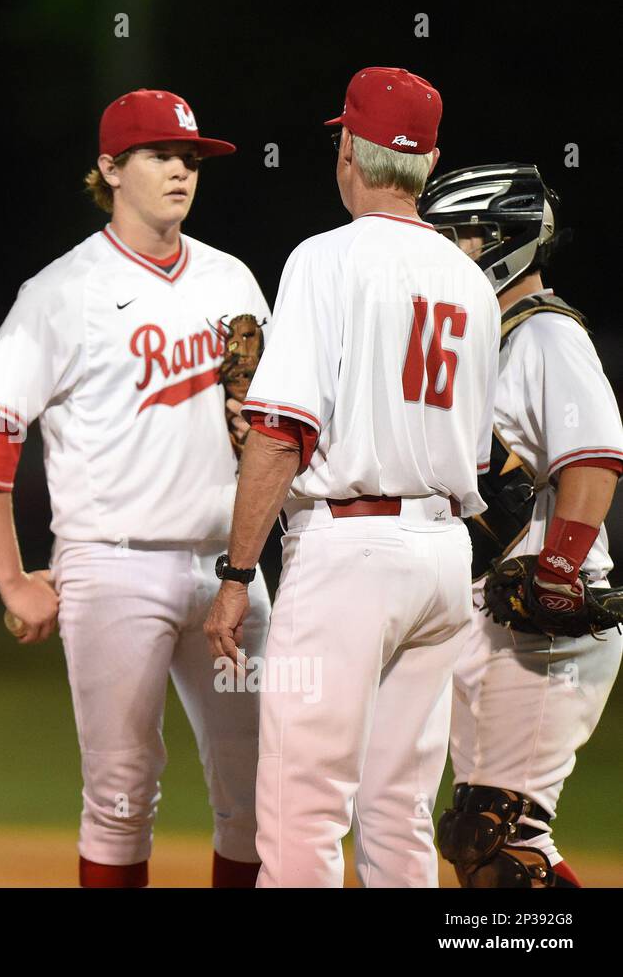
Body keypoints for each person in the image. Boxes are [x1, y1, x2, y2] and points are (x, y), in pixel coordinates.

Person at [0, 90, 271, 888]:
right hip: (114, 565)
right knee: (123, 795)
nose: (180, 171)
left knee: (261, 790)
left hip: (233, 573)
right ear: (109, 167)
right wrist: (10, 578)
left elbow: (277, 431)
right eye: (160, 155)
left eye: (191, 159)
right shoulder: (64, 290)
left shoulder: (232, 279)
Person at [203, 68, 500, 887]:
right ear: (430, 161)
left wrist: (235, 575)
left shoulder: (326, 260)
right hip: (443, 557)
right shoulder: (473, 284)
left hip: (350, 555)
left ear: (347, 150)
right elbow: (477, 460)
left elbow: (280, 434)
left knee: (302, 813)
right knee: (399, 816)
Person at [420, 164, 623, 887]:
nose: (445, 251)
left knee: (505, 846)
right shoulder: (491, 334)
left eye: (459, 237)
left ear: (505, 240)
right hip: (495, 619)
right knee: (479, 840)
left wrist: (560, 568)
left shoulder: (546, 334)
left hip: (544, 620)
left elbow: (594, 460)